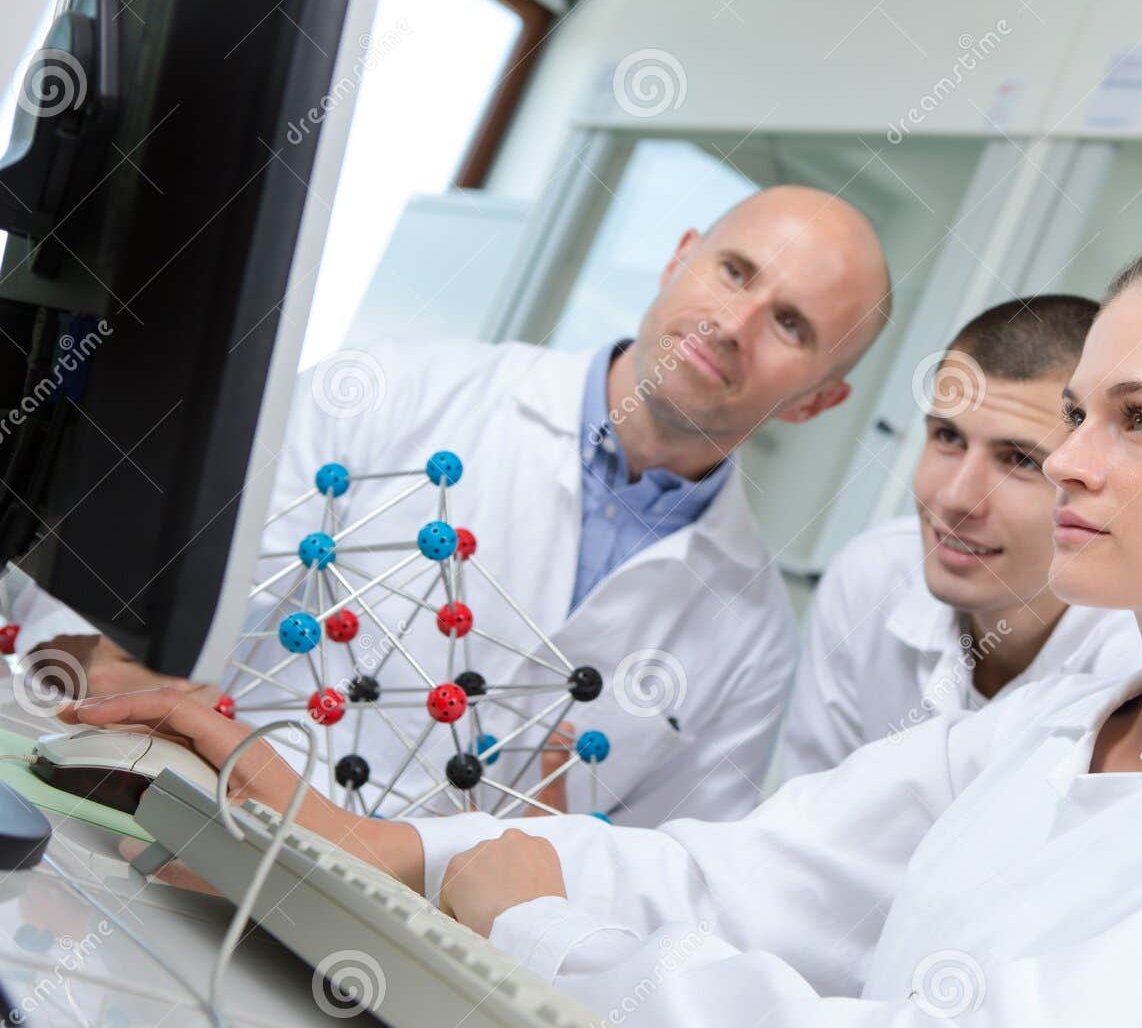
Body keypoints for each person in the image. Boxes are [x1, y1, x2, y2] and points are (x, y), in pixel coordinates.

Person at [66, 228, 1142, 1028]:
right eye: (1077, 413)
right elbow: (745, 877)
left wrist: (529, 914)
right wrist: (398, 846)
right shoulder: (1041, 735)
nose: (1065, 464)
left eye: (1135, 421)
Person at [44, 185, 893, 825]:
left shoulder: (753, 642)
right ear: (678, 258)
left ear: (818, 401)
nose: (734, 323)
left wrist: (557, 871)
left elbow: (653, 895)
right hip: (175, 832)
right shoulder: (388, 391)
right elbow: (121, 614)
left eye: (791, 325)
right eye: (733, 271)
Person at [779, 296, 1141, 780]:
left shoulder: (1140, 663)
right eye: (948, 438)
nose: (954, 498)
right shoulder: (870, 578)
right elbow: (805, 833)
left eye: (1020, 460)